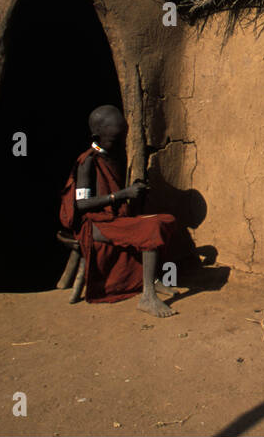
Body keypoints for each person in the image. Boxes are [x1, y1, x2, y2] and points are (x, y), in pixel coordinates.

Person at [57, 105, 179, 317]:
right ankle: (147, 297)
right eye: (114, 140)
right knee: (151, 229)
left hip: (113, 219)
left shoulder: (111, 156)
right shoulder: (87, 162)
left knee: (166, 220)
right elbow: (81, 205)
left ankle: (150, 279)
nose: (119, 144)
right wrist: (121, 195)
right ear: (97, 136)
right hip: (94, 225)